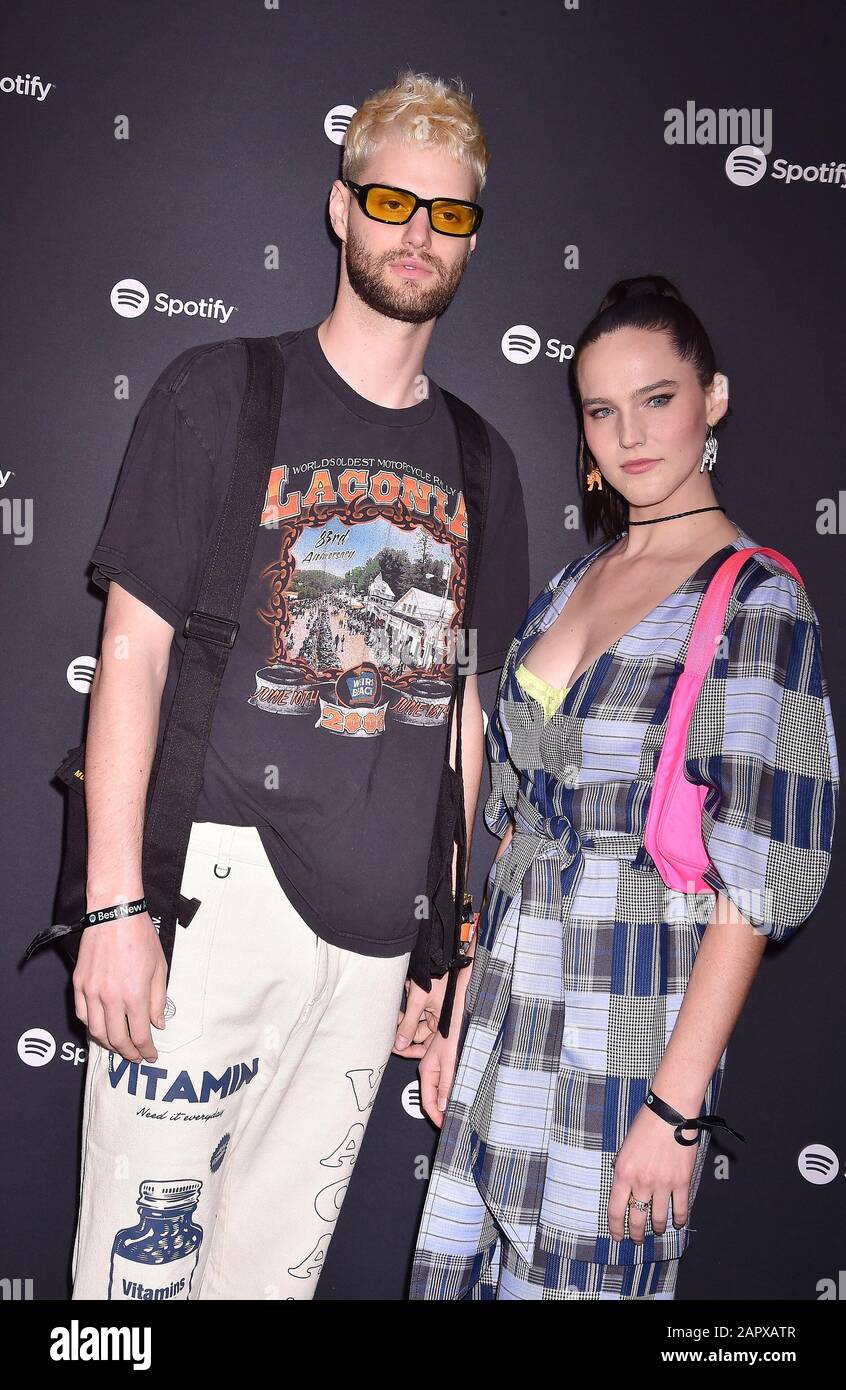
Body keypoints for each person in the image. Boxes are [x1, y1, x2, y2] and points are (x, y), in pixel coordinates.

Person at [69, 70, 529, 1301]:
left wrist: (447, 935)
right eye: (390, 199)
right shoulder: (218, 391)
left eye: (450, 213)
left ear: (473, 235)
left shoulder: (486, 462)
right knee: (136, 1282)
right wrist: (117, 908)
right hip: (214, 904)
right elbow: (133, 653)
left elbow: (466, 720)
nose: (417, 232)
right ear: (339, 208)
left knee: (272, 1282)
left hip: (377, 941)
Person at [409, 275, 839, 1300]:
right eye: (602, 409)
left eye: (657, 398)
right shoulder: (572, 582)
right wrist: (462, 1004)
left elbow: (756, 881)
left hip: (625, 1025)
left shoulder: (756, 601)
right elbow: (505, 821)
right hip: (507, 1003)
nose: (629, 434)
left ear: (714, 397)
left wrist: (677, 1107)